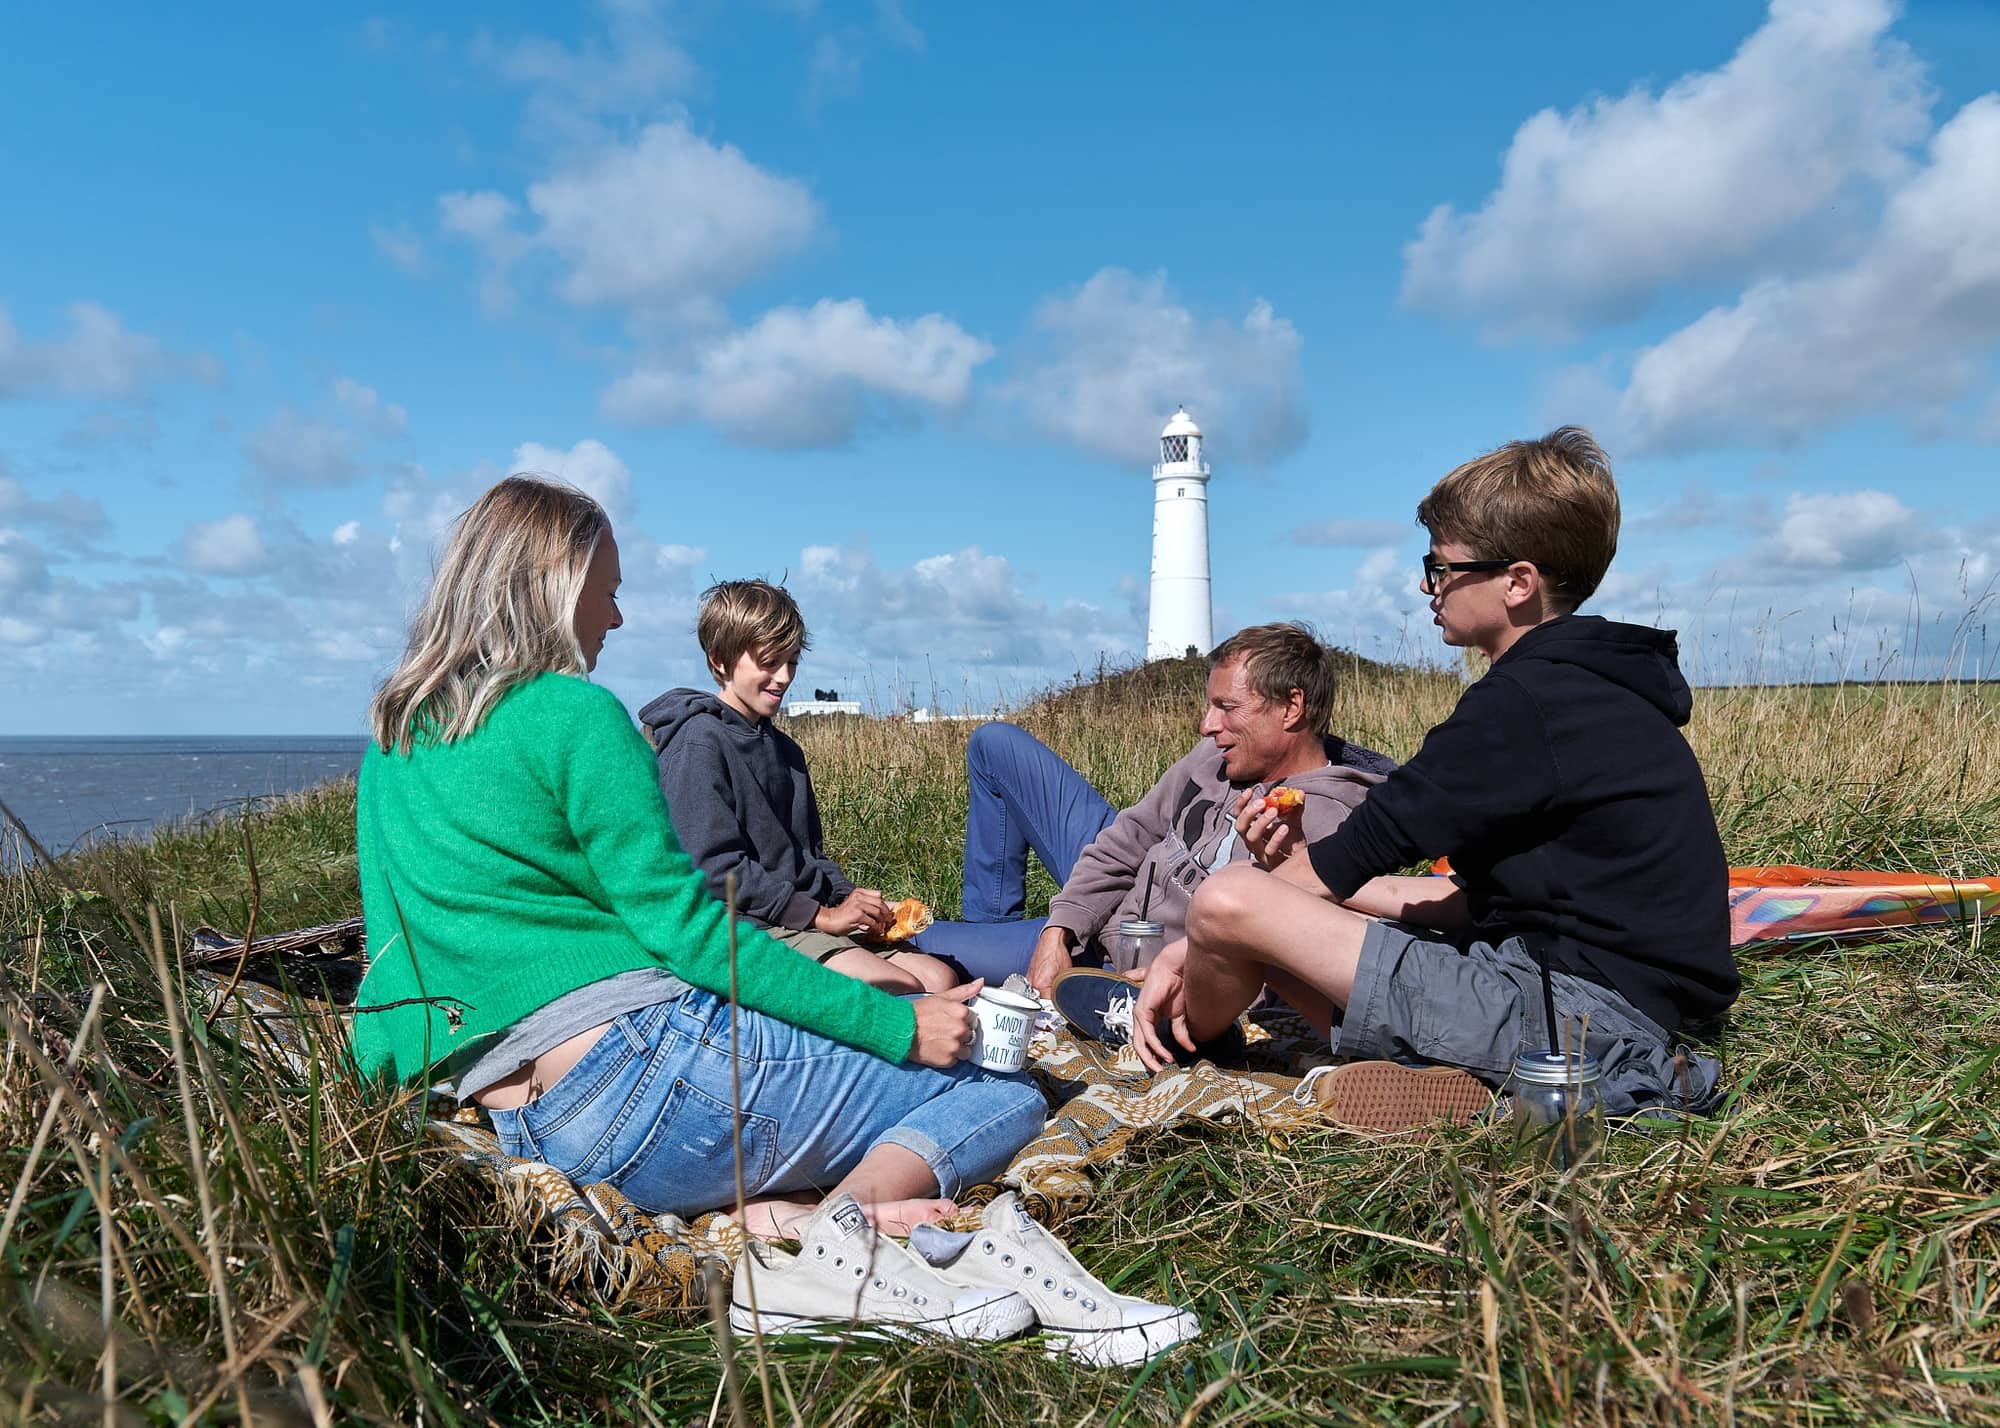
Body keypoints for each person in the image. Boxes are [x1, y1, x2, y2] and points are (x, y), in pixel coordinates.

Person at [349, 477, 1045, 1245]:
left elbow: (388, 965)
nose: (613, 617)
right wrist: (892, 1027)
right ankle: (838, 1226)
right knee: (1003, 1087)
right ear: (555, 586)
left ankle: (778, 1216)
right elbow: (690, 931)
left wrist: (391, 1108)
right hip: (646, 1074)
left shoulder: (392, 738)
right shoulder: (572, 712)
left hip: (531, 1127)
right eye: (604, 591)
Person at [1129, 428, 1736, 1122]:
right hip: (1584, 991)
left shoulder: (1527, 703)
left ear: (1517, 582)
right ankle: (1443, 1082)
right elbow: (1470, 899)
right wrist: (1302, 885)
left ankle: (1176, 1042)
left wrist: (1194, 941)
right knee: (1275, 914)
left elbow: (1366, 846)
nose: (1428, 584)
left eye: (1444, 566)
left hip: (1579, 1019)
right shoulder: (1592, 690)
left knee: (1227, 899)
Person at [913, 622, 1397, 992]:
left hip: (1127, 960)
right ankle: (998, 939)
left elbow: (1291, 964)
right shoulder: (1219, 757)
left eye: (1226, 707)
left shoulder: (1333, 816)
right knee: (995, 744)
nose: (1207, 725)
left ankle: (991, 957)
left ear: (1292, 708)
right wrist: (1058, 930)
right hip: (1121, 896)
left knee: (915, 947)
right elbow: (1128, 839)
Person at [641, 579, 957, 994]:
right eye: (769, 662)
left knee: (941, 977)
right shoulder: (698, 742)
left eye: (792, 662)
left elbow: (807, 858)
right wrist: (823, 918)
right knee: (900, 988)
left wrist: (853, 901)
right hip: (743, 928)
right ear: (720, 661)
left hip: (799, 916)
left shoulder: (785, 750)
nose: (783, 678)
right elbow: (714, 871)